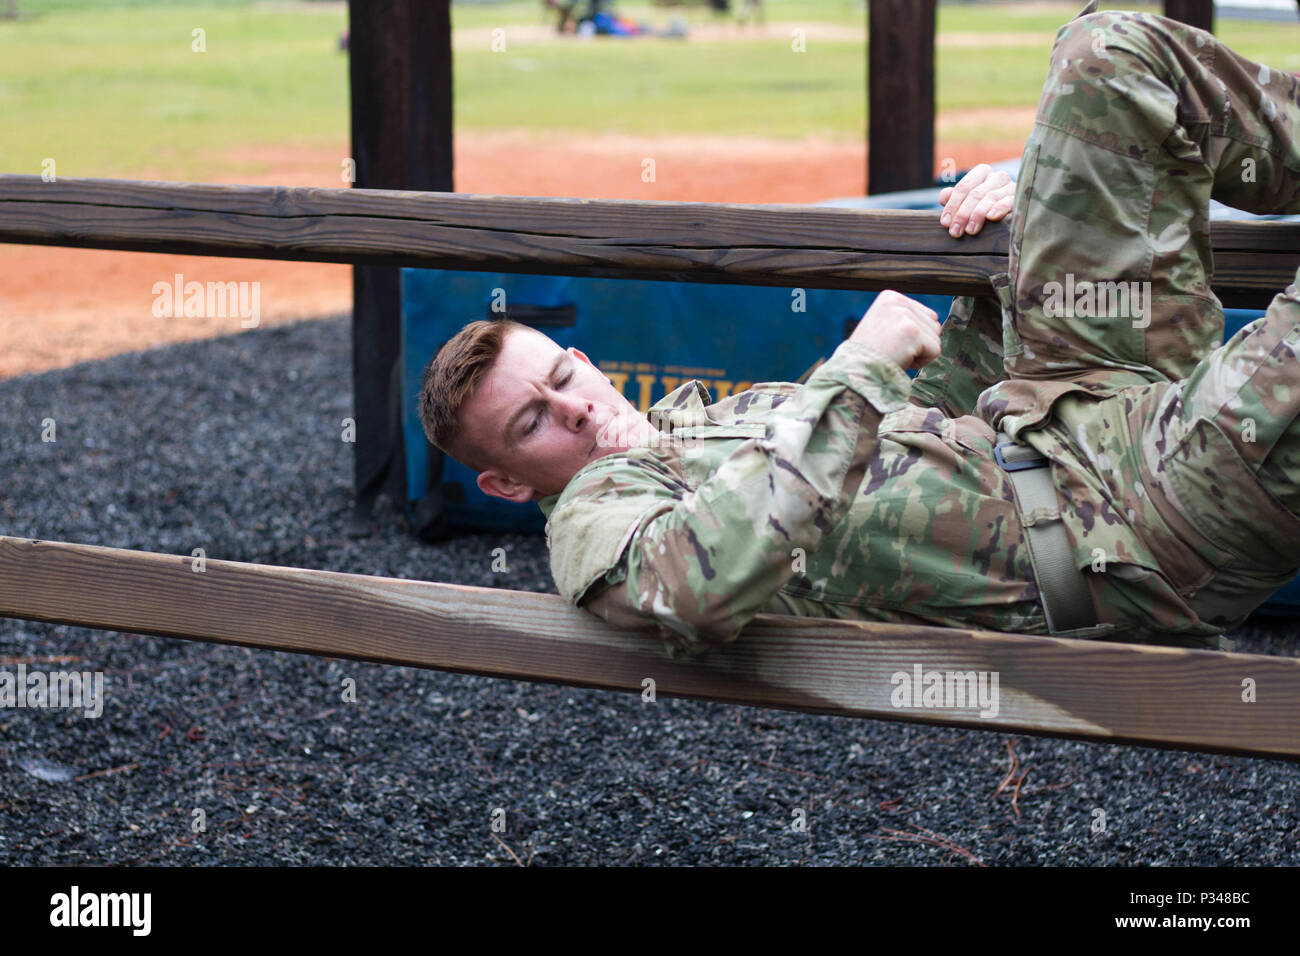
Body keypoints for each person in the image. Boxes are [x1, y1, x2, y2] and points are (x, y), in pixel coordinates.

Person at [419, 1, 1300, 659]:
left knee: (1107, 55)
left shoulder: (726, 420)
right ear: (501, 483)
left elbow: (949, 415)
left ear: (583, 362)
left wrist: (1005, 249)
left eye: (560, 381)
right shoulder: (599, 522)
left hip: (1072, 407)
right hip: (1125, 531)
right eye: (532, 420)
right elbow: (699, 586)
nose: (568, 409)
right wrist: (859, 366)